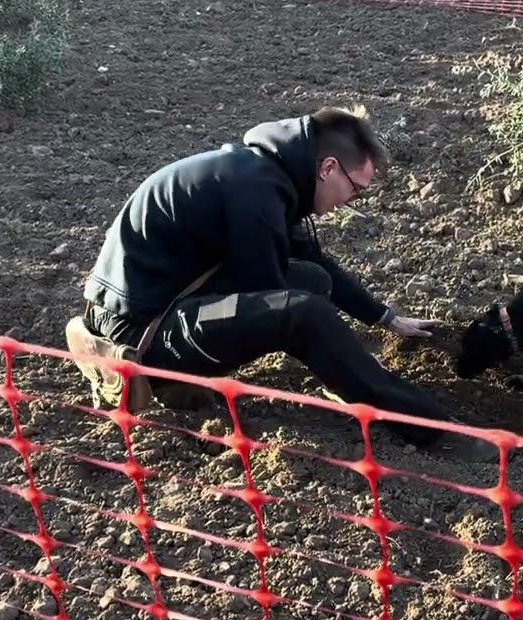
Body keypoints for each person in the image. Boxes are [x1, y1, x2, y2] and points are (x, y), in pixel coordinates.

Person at [64, 105, 498, 463]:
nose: (352, 202)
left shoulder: (261, 175)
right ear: (328, 168)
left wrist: (384, 317)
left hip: (157, 303)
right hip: (143, 330)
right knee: (303, 313)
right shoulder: (255, 191)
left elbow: (309, 261)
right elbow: (276, 301)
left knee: (312, 281)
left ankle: (179, 381)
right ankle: (430, 431)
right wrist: (341, 353)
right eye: (356, 190)